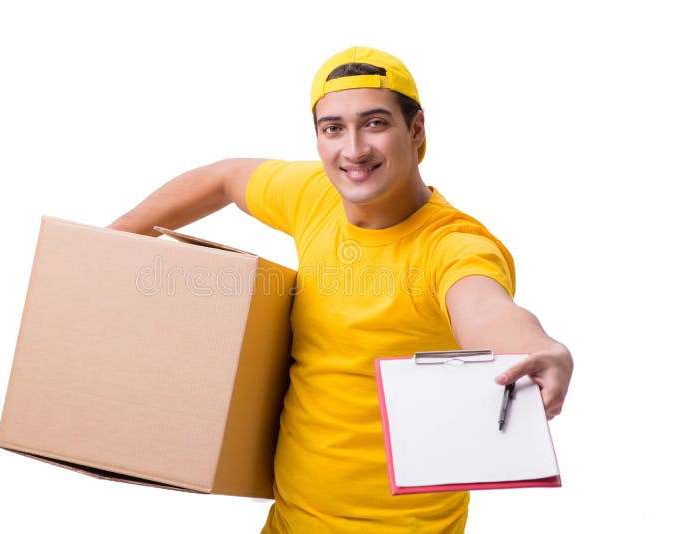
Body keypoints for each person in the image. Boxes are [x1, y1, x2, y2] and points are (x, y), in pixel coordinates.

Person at [109, 46, 573, 534]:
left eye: (375, 123)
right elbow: (224, 177)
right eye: (333, 128)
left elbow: (484, 308)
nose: (354, 150)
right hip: (289, 522)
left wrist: (535, 348)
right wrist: (109, 243)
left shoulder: (454, 246)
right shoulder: (316, 196)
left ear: (416, 131)